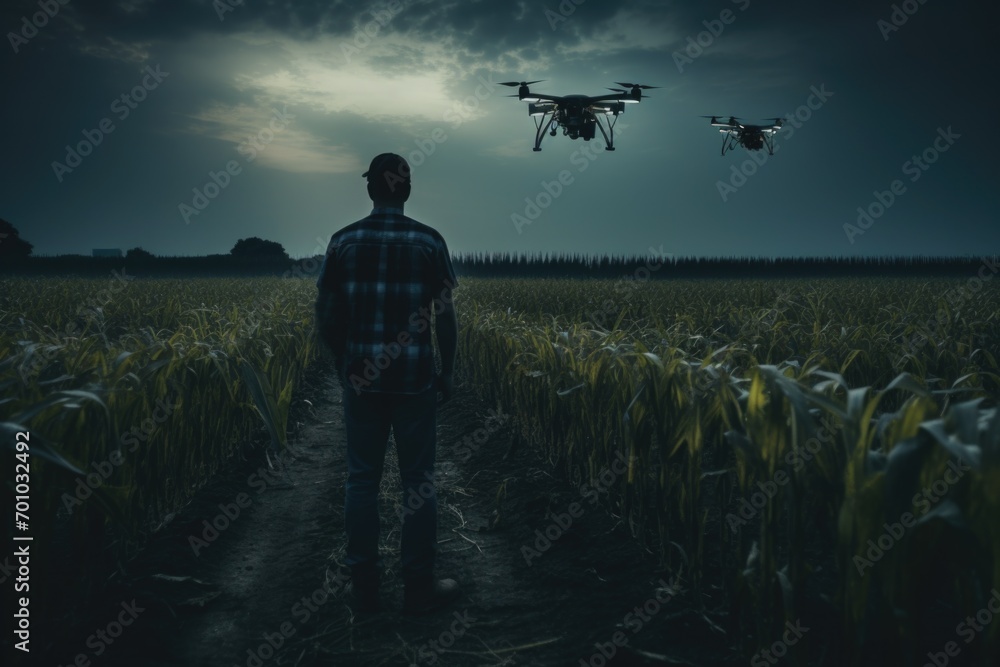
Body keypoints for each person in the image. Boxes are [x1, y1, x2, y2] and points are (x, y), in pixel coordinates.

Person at [314, 153, 460, 615]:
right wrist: (448, 371)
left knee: (361, 481)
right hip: (415, 379)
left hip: (362, 381)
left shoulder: (344, 241)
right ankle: (418, 588)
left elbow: (328, 314)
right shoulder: (429, 241)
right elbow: (446, 315)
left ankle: (365, 591)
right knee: (419, 482)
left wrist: (343, 363)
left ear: (371, 189)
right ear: (407, 189)